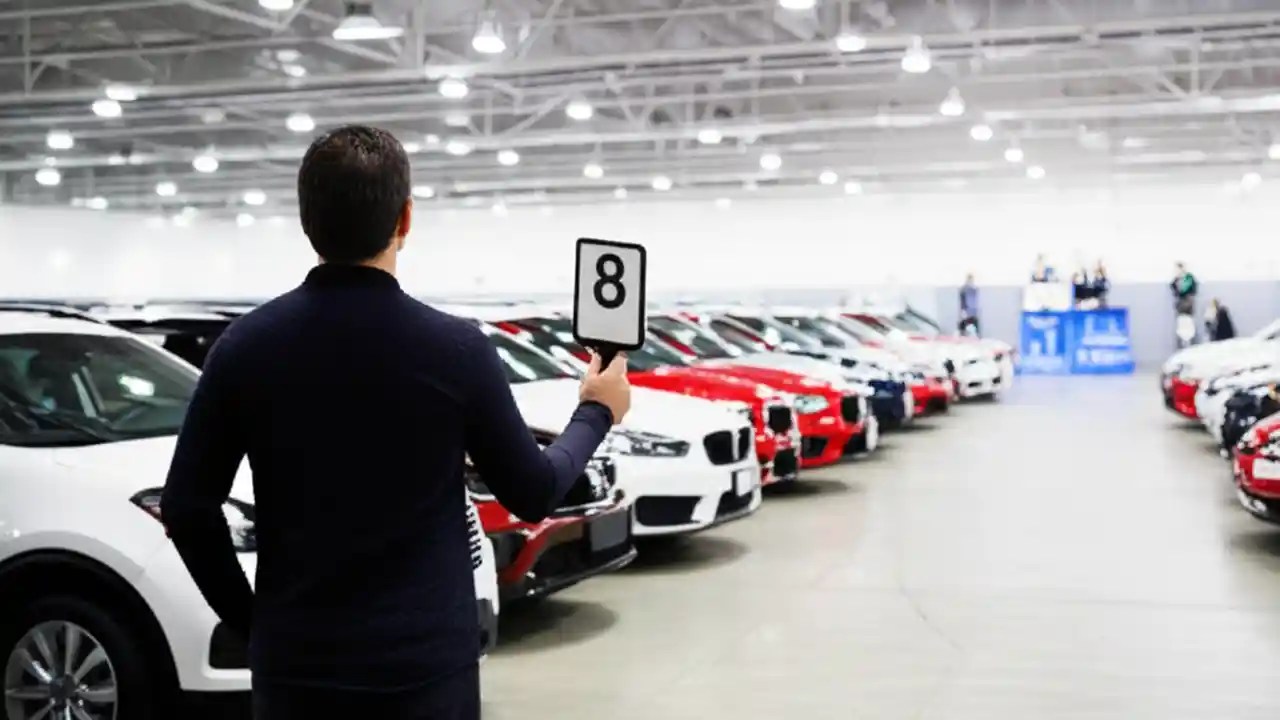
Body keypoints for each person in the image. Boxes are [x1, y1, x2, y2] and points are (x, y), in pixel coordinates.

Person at [160, 125, 632, 720]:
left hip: (297, 671)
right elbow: (533, 492)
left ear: (307, 223)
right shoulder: (456, 350)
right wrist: (597, 411)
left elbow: (186, 507)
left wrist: (254, 624)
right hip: (424, 670)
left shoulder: (243, 349)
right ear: (405, 220)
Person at [1171, 262, 1198, 347]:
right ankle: (1183, 344)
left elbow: (1183, 291)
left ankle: (1189, 344)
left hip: (1186, 306)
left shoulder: (1188, 278)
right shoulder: (1177, 280)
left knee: (1188, 327)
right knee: (1181, 327)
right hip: (1182, 307)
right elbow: (1175, 289)